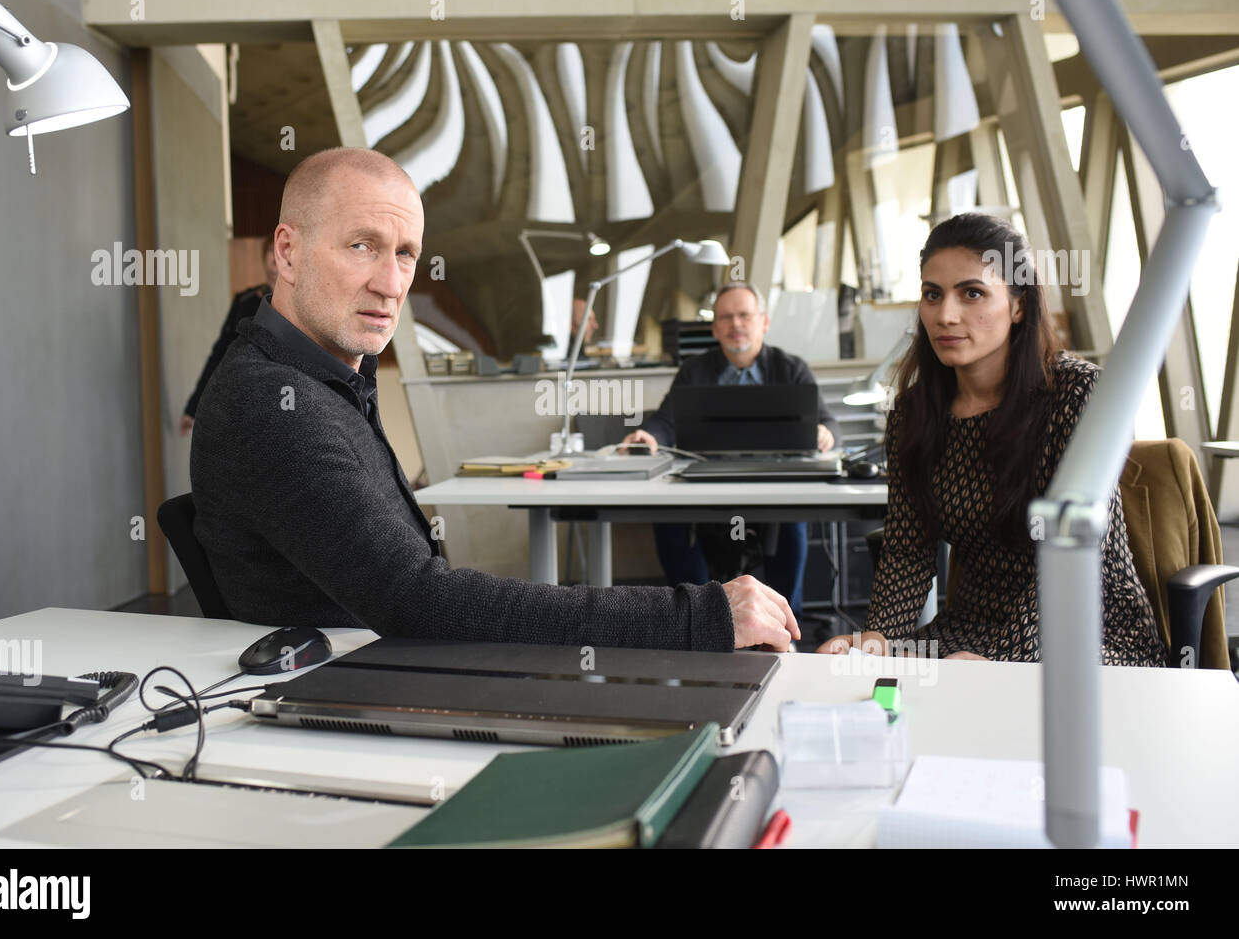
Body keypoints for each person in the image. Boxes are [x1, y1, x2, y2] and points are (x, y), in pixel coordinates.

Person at [189, 148, 798, 652]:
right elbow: (421, 602)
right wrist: (700, 615)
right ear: (288, 252)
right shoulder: (271, 400)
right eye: (361, 246)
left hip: (370, 665)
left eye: (405, 254)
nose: (391, 283)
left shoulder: (329, 379)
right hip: (333, 706)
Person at [818, 213, 1165, 665]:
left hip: (1088, 631)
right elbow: (907, 550)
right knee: (870, 693)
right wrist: (876, 640)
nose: (946, 315)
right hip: (969, 628)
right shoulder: (913, 413)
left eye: (973, 293)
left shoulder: (1078, 395)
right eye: (932, 295)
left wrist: (1001, 660)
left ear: (1018, 305)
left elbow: (1076, 556)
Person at [622, 284, 843, 615]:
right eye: (726, 317)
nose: (735, 324)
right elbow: (666, 421)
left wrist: (825, 433)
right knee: (666, 515)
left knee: (792, 519)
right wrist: (649, 436)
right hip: (707, 482)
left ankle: (785, 625)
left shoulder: (791, 368)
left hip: (773, 482)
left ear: (764, 322)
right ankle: (696, 617)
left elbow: (830, 425)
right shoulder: (694, 370)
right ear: (715, 328)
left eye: (744, 315)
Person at [179, 236, 277, 436]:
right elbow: (221, 351)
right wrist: (193, 406)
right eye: (269, 250)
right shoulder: (245, 301)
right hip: (246, 398)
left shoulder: (302, 305)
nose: (274, 256)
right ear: (263, 258)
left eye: (279, 249)